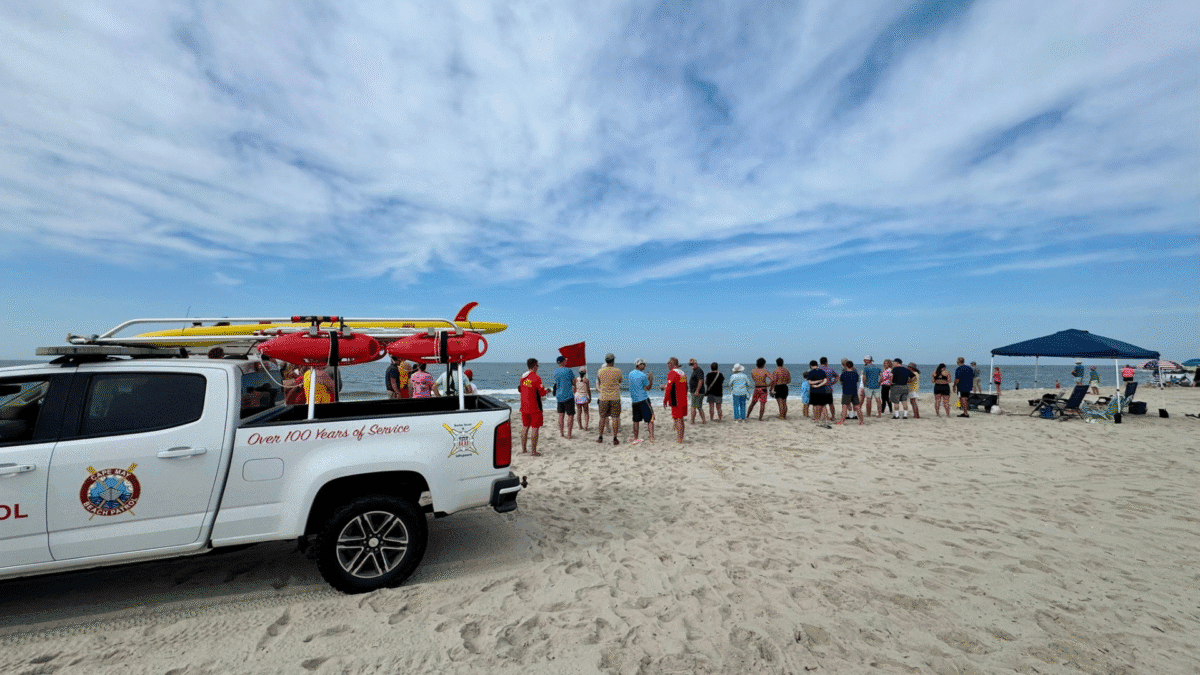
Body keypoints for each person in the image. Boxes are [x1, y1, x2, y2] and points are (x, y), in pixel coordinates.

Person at [518, 358, 548, 456]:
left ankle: (523, 449)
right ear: (534, 365)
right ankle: (533, 451)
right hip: (534, 407)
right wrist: (548, 391)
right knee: (535, 428)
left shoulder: (523, 377)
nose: (538, 367)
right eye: (537, 365)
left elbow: (521, 389)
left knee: (525, 427)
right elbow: (542, 393)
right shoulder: (536, 378)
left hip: (524, 406)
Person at [596, 353, 623, 446]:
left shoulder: (600, 371)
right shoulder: (618, 371)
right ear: (613, 361)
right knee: (615, 417)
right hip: (615, 397)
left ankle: (600, 436)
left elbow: (599, 382)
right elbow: (620, 381)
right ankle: (615, 438)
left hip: (603, 397)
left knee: (602, 417)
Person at [628, 359, 654, 443]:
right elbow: (647, 388)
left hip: (634, 400)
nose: (644, 366)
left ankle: (636, 437)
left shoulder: (630, 374)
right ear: (639, 365)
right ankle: (651, 437)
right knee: (650, 418)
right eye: (643, 364)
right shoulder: (643, 375)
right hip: (643, 399)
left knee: (636, 420)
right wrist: (650, 379)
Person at [663, 357, 688, 442]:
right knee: (680, 419)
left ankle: (679, 438)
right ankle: (680, 437)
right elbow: (685, 386)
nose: (668, 365)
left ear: (672, 364)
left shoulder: (672, 373)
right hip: (683, 398)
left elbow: (669, 387)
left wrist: (665, 400)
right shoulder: (682, 373)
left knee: (678, 419)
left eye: (668, 363)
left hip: (676, 399)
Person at [552, 356, 576, 439]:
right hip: (568, 395)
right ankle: (569, 434)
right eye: (565, 360)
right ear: (563, 361)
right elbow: (573, 381)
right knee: (570, 415)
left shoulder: (555, 371)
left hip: (559, 395)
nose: (566, 361)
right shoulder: (568, 370)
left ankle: (561, 433)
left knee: (561, 415)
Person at [804, 360, 832, 428]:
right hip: (822, 390)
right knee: (823, 406)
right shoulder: (822, 371)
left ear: (810, 366)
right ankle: (826, 420)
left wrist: (816, 385)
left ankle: (817, 419)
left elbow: (809, 382)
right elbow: (825, 381)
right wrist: (819, 383)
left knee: (816, 405)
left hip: (814, 391)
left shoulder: (810, 372)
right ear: (817, 365)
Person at [838, 360, 862, 425]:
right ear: (852, 366)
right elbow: (857, 381)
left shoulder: (843, 374)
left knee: (844, 406)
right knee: (857, 406)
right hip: (854, 391)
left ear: (846, 366)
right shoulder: (855, 374)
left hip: (846, 392)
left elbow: (841, 382)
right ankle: (861, 421)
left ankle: (842, 421)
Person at [687, 359, 708, 425]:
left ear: (696, 363)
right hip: (696, 391)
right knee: (698, 407)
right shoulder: (696, 370)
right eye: (690, 364)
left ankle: (692, 420)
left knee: (693, 406)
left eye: (692, 364)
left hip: (697, 392)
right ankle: (703, 420)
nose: (691, 366)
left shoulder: (698, 370)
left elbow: (700, 381)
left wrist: (697, 390)